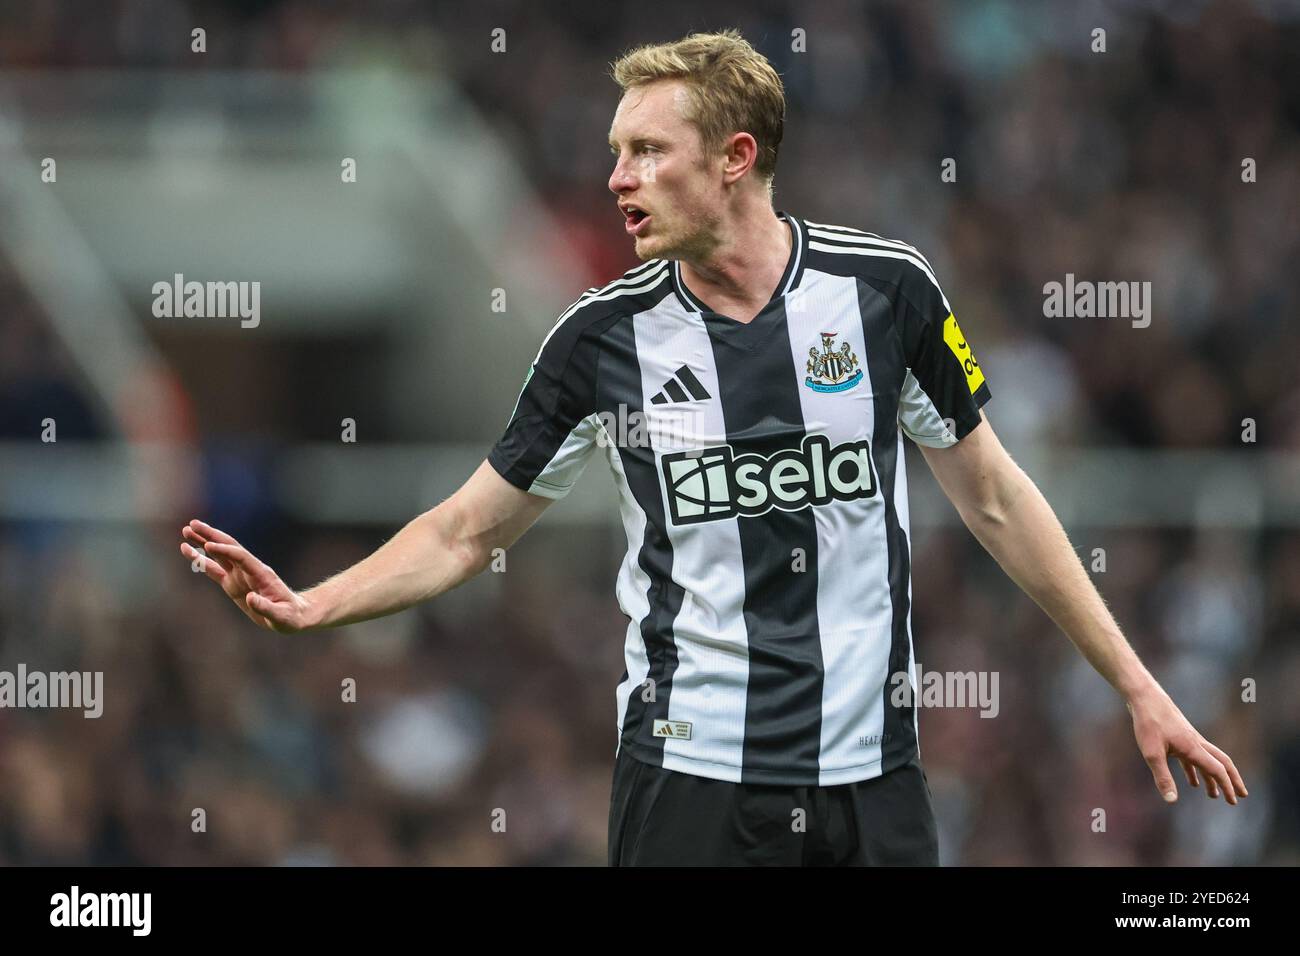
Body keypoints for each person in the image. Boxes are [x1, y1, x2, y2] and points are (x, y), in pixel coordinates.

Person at [180, 29, 1247, 866]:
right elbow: (465, 530)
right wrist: (318, 603)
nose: (617, 179)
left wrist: (1135, 683)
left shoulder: (886, 296)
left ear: (735, 160)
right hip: (689, 784)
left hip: (873, 778)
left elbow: (1000, 500)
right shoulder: (597, 341)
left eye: (646, 151)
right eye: (614, 153)